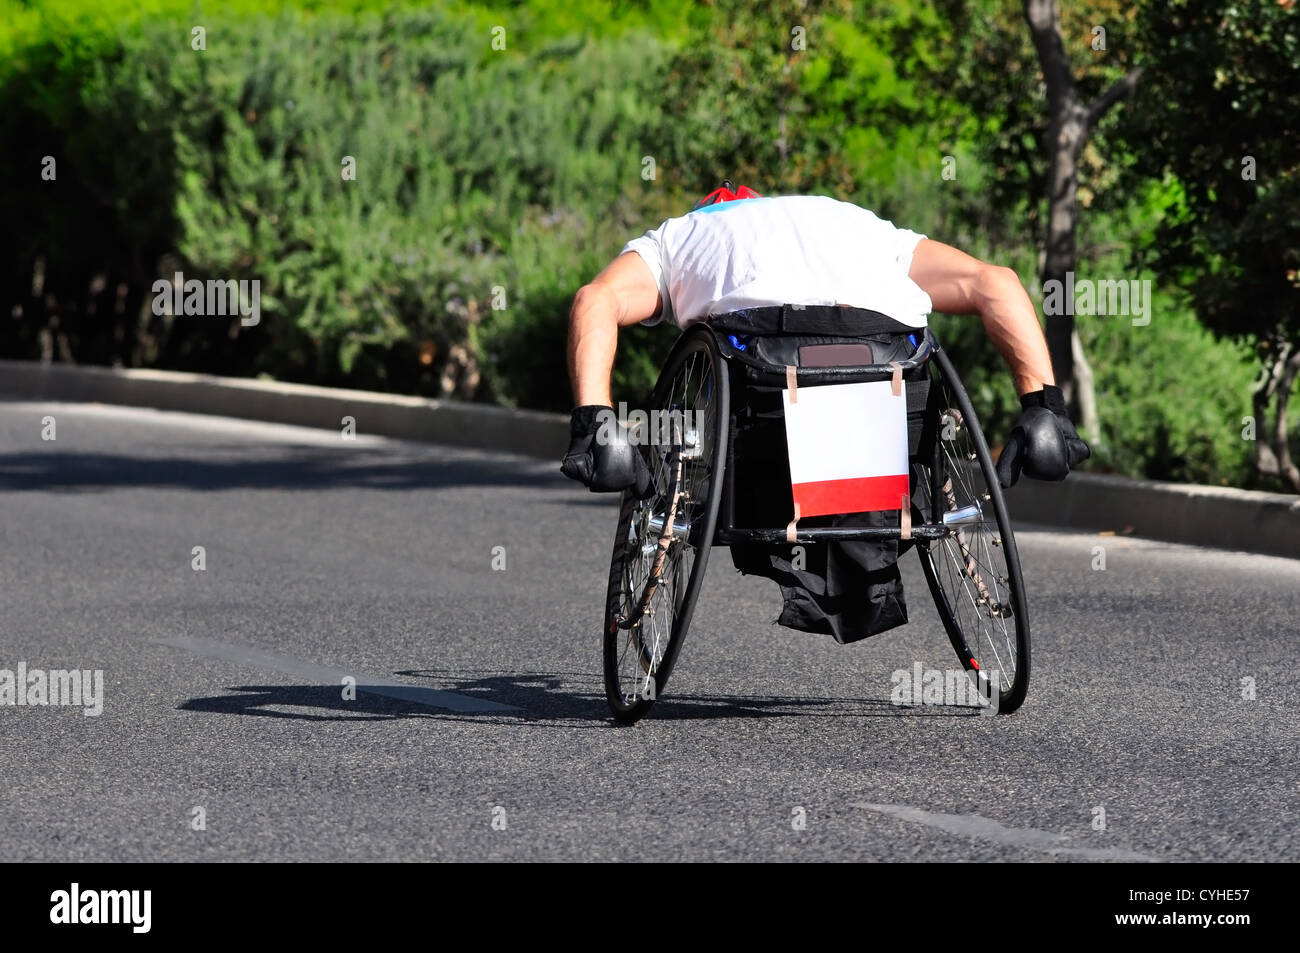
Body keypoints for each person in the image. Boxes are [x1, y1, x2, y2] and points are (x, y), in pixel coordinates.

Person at [560, 181, 1089, 494]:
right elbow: (994, 282)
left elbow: (595, 300)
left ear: (709, 211)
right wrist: (1045, 407)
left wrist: (594, 422)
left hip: (766, 373)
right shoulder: (852, 222)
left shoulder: (681, 236)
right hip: (883, 364)